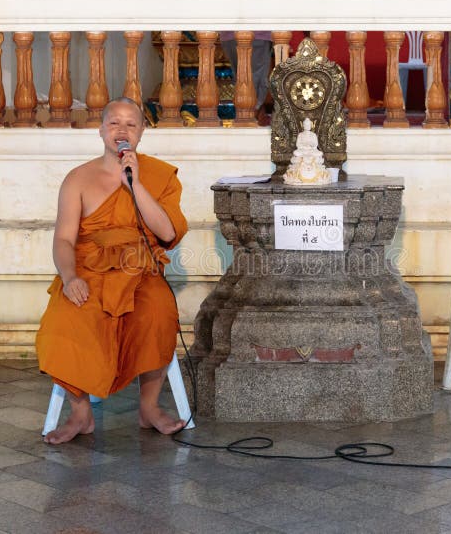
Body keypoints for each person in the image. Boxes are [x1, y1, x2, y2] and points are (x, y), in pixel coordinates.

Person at [35, 97, 188, 444]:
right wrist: (70, 277)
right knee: (66, 318)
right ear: (102, 129)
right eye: (114, 123)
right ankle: (80, 414)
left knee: (157, 312)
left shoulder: (157, 176)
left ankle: (149, 408)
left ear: (142, 132)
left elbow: (166, 233)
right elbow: (63, 239)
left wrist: (134, 184)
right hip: (88, 270)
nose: (122, 130)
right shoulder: (78, 179)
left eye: (131, 124)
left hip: (139, 272)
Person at [220, 31, 273, 124]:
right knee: (254, 81)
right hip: (256, 34)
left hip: (229, 34)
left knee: (242, 79)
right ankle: (247, 123)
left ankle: (247, 121)